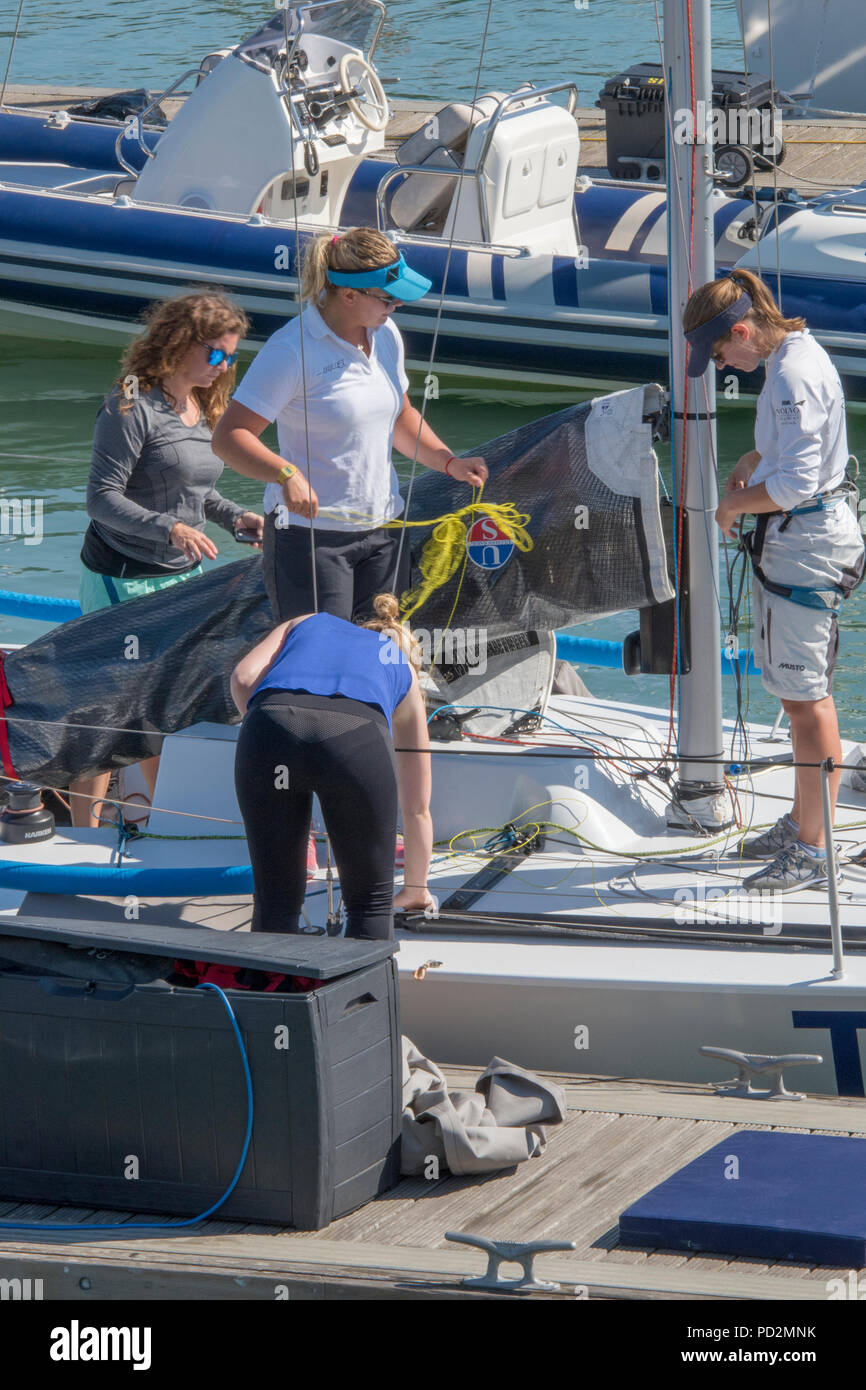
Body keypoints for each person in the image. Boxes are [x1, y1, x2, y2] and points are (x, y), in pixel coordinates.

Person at [683, 267, 865, 891]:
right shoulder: (796, 354)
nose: (725, 365)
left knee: (808, 699)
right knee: (797, 695)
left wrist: (732, 506)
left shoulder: (789, 373)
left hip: (807, 545)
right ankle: (802, 823)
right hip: (803, 540)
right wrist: (755, 457)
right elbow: (799, 451)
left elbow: (800, 485)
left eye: (720, 354)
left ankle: (814, 852)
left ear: (741, 331)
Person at [212, 226, 488, 622]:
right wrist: (285, 473)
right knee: (323, 664)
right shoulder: (290, 351)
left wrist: (450, 462)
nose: (395, 308)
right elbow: (228, 438)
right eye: (389, 300)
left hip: (384, 529)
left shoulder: (386, 334)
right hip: (312, 539)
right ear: (349, 295)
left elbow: (401, 416)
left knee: (379, 653)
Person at [70, 291, 264, 828]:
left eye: (231, 357)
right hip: (121, 576)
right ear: (179, 342)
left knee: (166, 703)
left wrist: (235, 518)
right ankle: (82, 835)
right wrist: (170, 527)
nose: (225, 366)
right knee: (112, 706)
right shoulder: (130, 402)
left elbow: (195, 491)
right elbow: (101, 497)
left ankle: (166, 822)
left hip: (180, 578)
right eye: (216, 354)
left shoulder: (203, 405)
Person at [230, 594, 434, 939]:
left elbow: (243, 678)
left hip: (269, 725)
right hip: (355, 738)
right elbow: (417, 809)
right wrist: (416, 889)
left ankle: (270, 988)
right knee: (370, 904)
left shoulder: (308, 620)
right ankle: (362, 993)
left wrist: (276, 733)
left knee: (274, 901)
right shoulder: (404, 671)